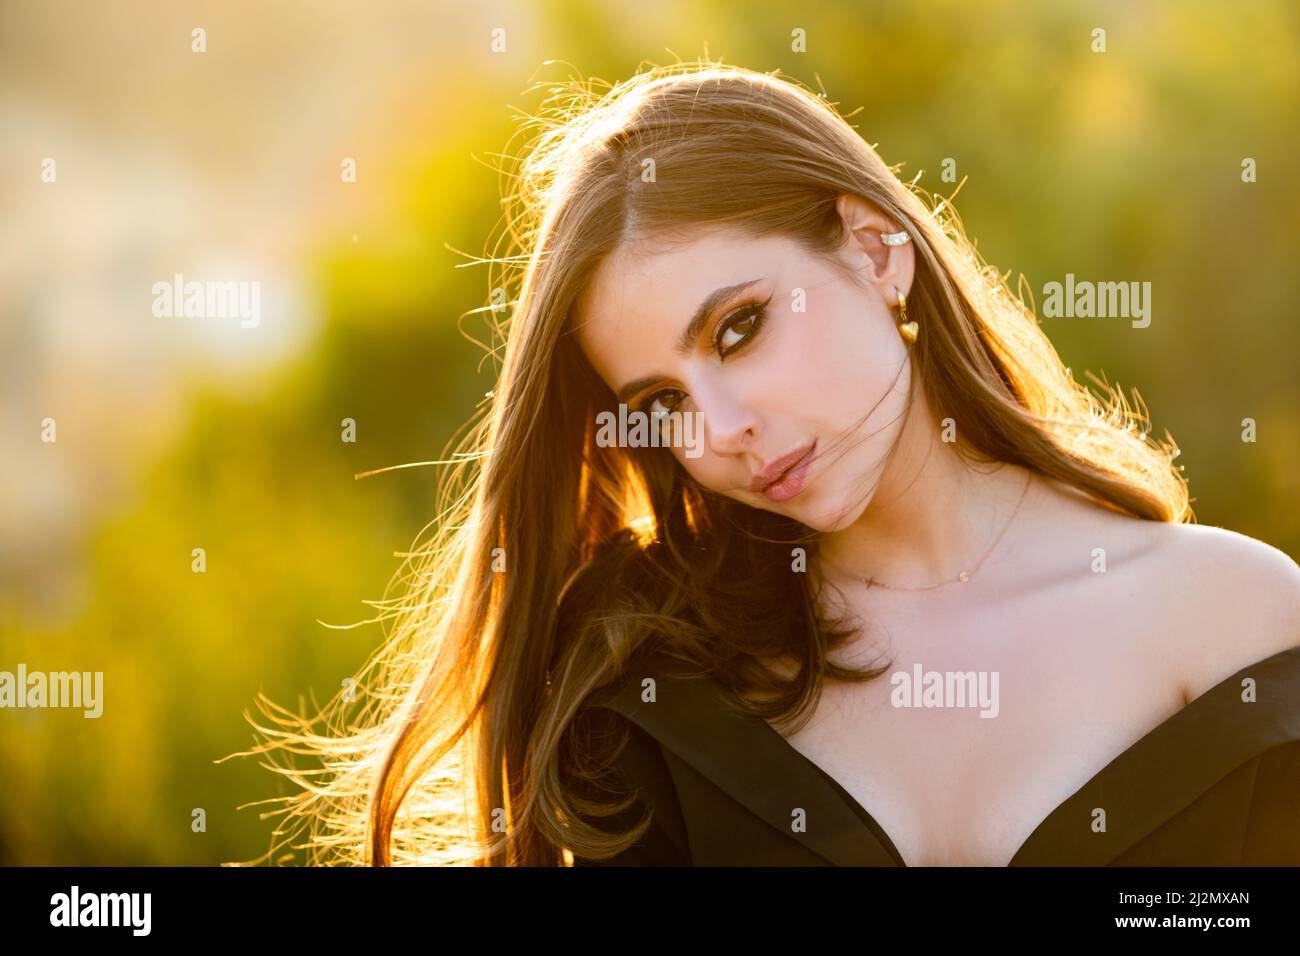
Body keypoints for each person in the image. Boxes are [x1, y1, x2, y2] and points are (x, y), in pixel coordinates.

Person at [234, 60, 1300, 867]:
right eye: (660, 402)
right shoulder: (651, 683)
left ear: (876, 249)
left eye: (739, 329)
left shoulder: (1237, 621)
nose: (718, 429)